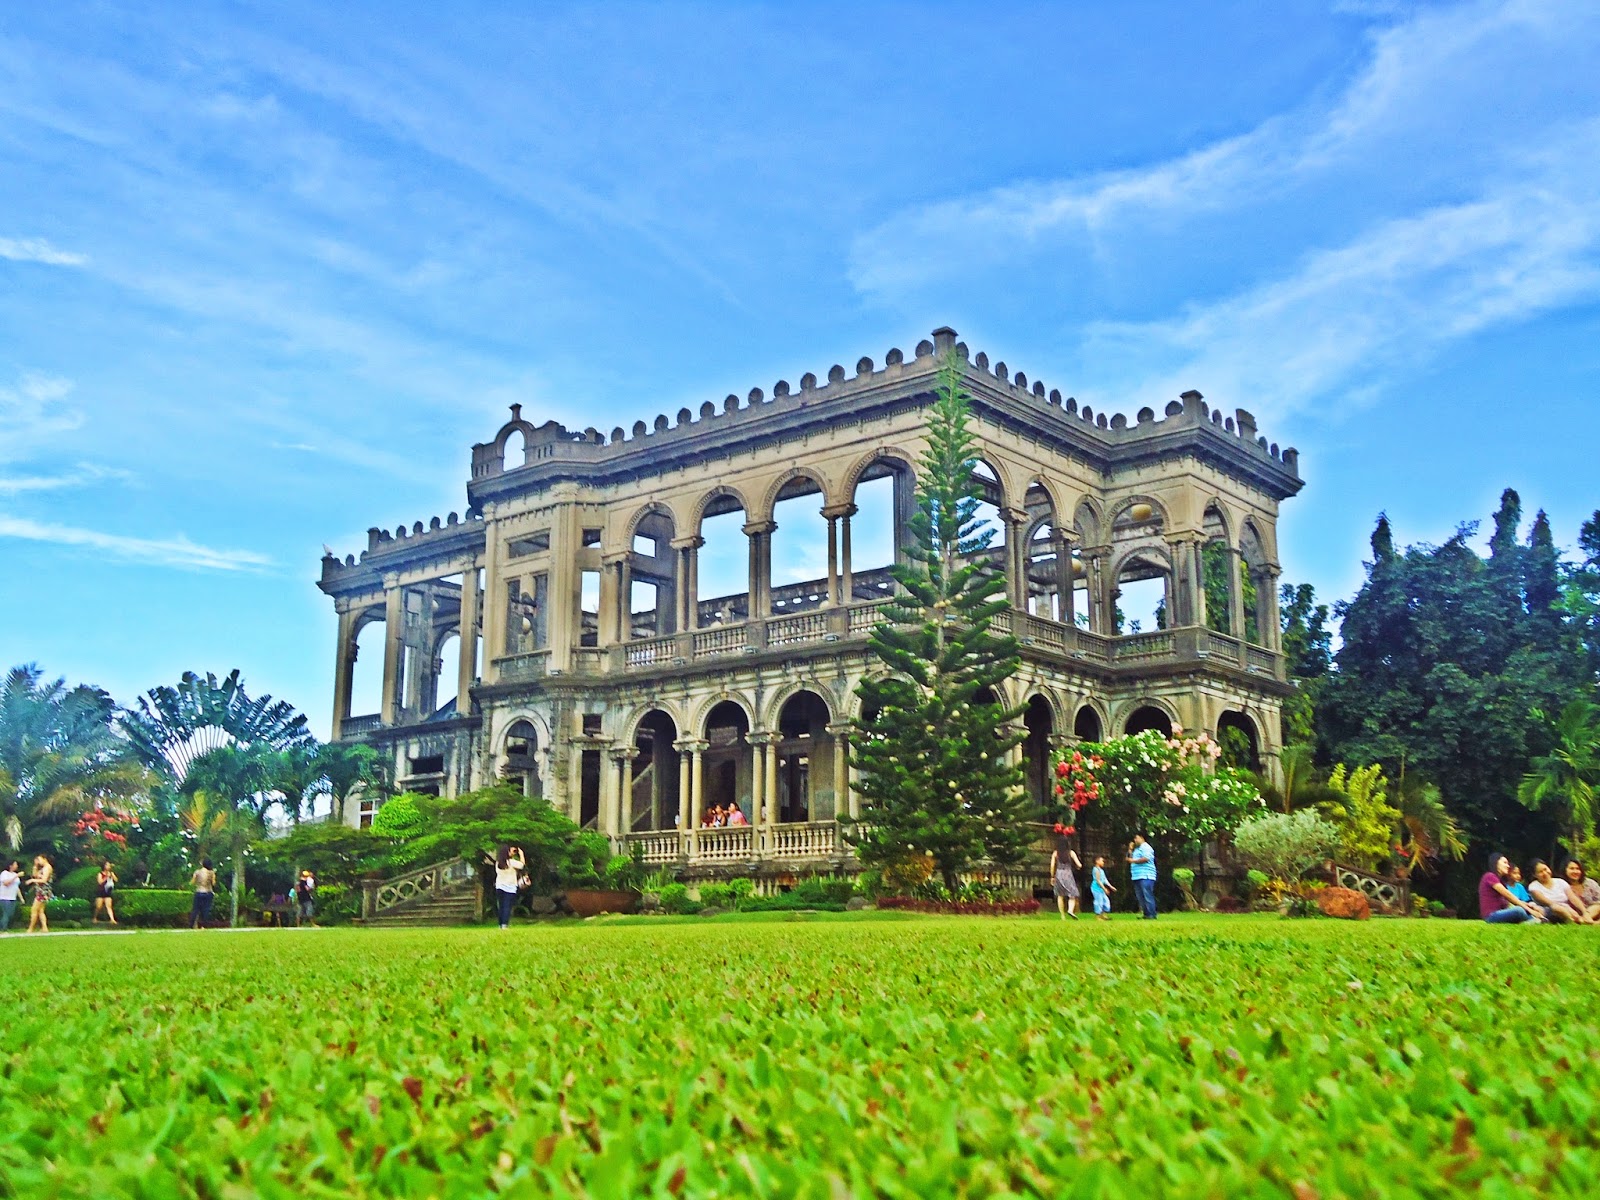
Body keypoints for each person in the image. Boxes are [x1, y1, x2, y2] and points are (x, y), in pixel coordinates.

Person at [1478, 854, 1543, 923]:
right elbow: (1508, 895)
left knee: (1522, 910)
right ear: (1496, 863)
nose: (1508, 866)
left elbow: (1509, 903)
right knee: (1518, 910)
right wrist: (1530, 910)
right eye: (1505, 863)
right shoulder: (1489, 876)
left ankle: (1535, 920)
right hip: (1491, 916)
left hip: (1502, 913)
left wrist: (1529, 906)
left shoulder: (1501, 882)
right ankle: (1531, 921)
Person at [1527, 860, 1591, 924]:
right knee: (1556, 908)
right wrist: (1567, 909)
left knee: (1594, 906)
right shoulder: (1533, 886)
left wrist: (1584, 912)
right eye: (1540, 872)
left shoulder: (1560, 882)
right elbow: (1549, 903)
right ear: (1534, 875)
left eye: (1545, 869)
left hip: (1566, 909)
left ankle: (1585, 920)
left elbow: (1573, 898)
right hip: (1548, 910)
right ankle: (1574, 922)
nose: (1545, 873)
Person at [492, 843, 525, 929]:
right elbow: (522, 865)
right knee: (507, 906)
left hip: (499, 886)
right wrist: (521, 854)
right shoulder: (511, 862)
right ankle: (504, 924)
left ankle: (500, 924)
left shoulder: (498, 863)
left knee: (501, 906)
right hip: (510, 887)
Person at [1050, 837, 1082, 920]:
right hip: (1068, 873)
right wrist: (1077, 867)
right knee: (1072, 894)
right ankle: (1070, 910)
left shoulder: (1055, 853)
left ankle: (1062, 916)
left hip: (1059, 873)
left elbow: (1052, 866)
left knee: (1060, 895)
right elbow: (1079, 865)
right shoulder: (1071, 853)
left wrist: (1052, 876)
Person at [1127, 834, 1157, 919]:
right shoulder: (1137, 849)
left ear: (1142, 838)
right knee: (1140, 897)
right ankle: (1146, 914)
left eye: (1136, 838)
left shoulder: (1146, 847)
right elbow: (1128, 858)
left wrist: (1134, 861)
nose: (1135, 840)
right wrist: (1130, 849)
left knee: (1147, 895)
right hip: (1137, 876)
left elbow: (1146, 858)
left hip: (1146, 875)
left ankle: (1152, 914)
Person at [26, 855, 53, 934]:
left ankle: (31, 928)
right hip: (41, 891)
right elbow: (35, 875)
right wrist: (35, 866)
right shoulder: (43, 868)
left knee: (34, 909)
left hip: (43, 891)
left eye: (40, 859)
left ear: (45, 859)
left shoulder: (47, 868)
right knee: (40, 911)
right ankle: (44, 928)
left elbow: (44, 880)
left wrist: (32, 880)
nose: (39, 861)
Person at [190, 858, 217, 929]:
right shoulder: (211, 873)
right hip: (208, 892)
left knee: (195, 909)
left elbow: (192, 882)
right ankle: (204, 925)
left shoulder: (197, 872)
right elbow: (213, 883)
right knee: (206, 909)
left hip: (199, 891)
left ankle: (191, 925)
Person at [92, 861, 119, 925]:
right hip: (101, 892)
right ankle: (95, 917)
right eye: (107, 865)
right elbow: (100, 882)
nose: (109, 866)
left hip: (108, 892)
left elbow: (116, 880)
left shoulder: (111, 873)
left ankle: (112, 919)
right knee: (98, 906)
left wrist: (112, 876)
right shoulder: (100, 874)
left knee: (108, 906)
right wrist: (106, 876)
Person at [1090, 855, 1115, 921]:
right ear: (1097, 861)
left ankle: (1104, 915)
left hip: (1101, 888)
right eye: (1102, 861)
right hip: (1096, 888)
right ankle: (1098, 916)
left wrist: (1110, 886)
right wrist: (1104, 889)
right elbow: (1098, 881)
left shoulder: (1101, 870)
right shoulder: (1096, 870)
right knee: (1099, 901)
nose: (1103, 862)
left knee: (1106, 901)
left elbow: (1104, 880)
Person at [0, 860, 21, 933]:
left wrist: (21, 897)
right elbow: (6, 883)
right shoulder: (4, 873)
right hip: (5, 897)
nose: (17, 866)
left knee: (11, 914)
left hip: (13, 897)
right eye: (15, 864)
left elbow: (16, 887)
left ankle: (3, 926)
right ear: (10, 866)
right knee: (6, 913)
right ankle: (4, 928)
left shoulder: (15, 874)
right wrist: (16, 876)